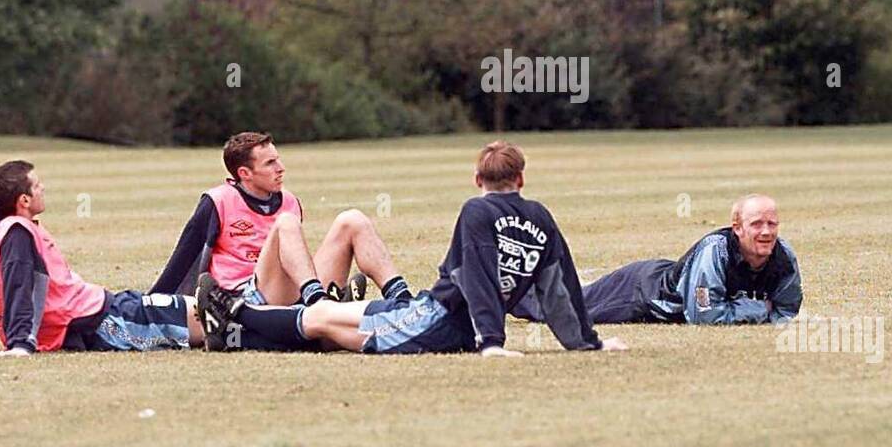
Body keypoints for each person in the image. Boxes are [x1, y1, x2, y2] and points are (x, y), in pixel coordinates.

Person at [196, 141, 627, 357]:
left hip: (439, 322)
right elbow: (559, 286)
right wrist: (585, 342)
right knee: (327, 318)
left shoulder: (476, 213)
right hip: (431, 313)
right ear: (522, 178)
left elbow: (477, 276)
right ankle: (235, 317)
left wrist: (491, 342)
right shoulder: (542, 217)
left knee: (326, 324)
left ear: (478, 181)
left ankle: (235, 319)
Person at [0, 160, 203, 356]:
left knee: (192, 310)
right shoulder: (17, 232)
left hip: (97, 308)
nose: (42, 189)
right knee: (200, 316)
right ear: (24, 200)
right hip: (96, 320)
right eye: (37, 186)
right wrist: (21, 344)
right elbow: (20, 285)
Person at [151, 130, 410, 308]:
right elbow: (183, 260)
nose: (281, 168)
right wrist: (152, 305)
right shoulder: (217, 201)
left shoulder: (290, 200)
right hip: (246, 297)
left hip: (295, 290)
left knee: (352, 220)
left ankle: (403, 300)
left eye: (279, 159)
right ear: (245, 173)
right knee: (286, 223)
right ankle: (325, 305)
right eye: (270, 163)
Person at [516, 194, 802, 325]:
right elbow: (704, 316)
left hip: (666, 276)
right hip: (643, 292)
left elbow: (786, 310)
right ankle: (507, 289)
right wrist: (759, 310)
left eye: (772, 224)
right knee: (560, 310)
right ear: (737, 228)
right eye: (756, 224)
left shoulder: (783, 257)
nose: (766, 232)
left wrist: (758, 311)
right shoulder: (715, 252)